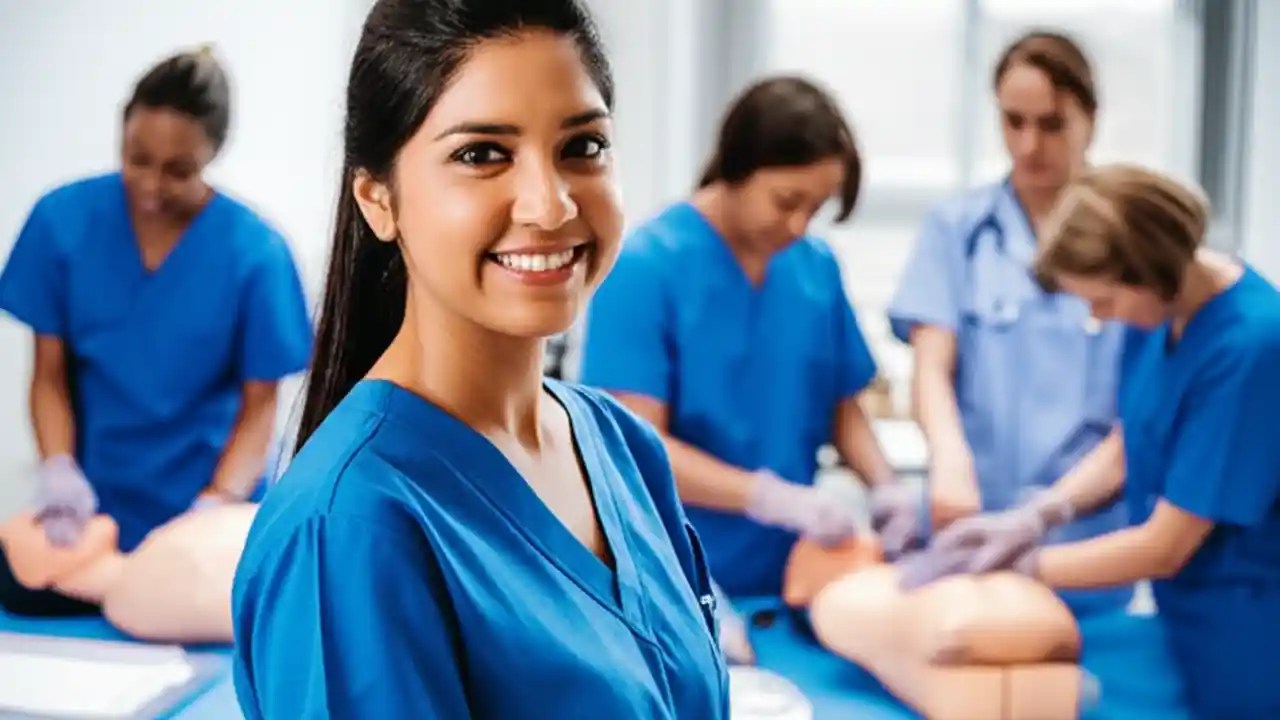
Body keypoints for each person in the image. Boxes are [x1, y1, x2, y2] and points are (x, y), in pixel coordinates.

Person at [230, 2, 728, 718]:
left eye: (582, 146)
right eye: (481, 154)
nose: (550, 205)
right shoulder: (351, 527)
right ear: (378, 200)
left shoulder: (625, 451)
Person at [905, 164, 1280, 718]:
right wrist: (1041, 514)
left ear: (1148, 272)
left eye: (1103, 302)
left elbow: (1165, 546)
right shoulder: (1162, 315)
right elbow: (1129, 444)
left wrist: (1025, 567)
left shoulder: (1252, 346)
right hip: (1184, 617)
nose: (1098, 318)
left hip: (1250, 626)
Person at [580, 76, 909, 599]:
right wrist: (765, 496)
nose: (800, 225)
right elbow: (638, 447)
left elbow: (842, 408)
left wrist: (887, 486)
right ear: (736, 168)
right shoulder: (645, 268)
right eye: (786, 201)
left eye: (816, 208)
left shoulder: (813, 268)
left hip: (796, 572)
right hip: (683, 573)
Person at [0, 47, 312, 558]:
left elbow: (260, 411)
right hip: (93, 511)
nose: (150, 186)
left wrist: (215, 507)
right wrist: (58, 468)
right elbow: (49, 376)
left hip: (211, 504)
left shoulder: (255, 253)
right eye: (137, 159)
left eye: (178, 170)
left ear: (212, 155)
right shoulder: (62, 222)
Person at [886, 31, 1132, 614]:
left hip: (1085, 541)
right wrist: (948, 458)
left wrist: (1045, 513)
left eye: (1051, 124)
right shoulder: (959, 231)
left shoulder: (1129, 241)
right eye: (1012, 122)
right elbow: (931, 367)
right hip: (968, 525)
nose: (1029, 144)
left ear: (1089, 121)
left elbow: (1142, 418)